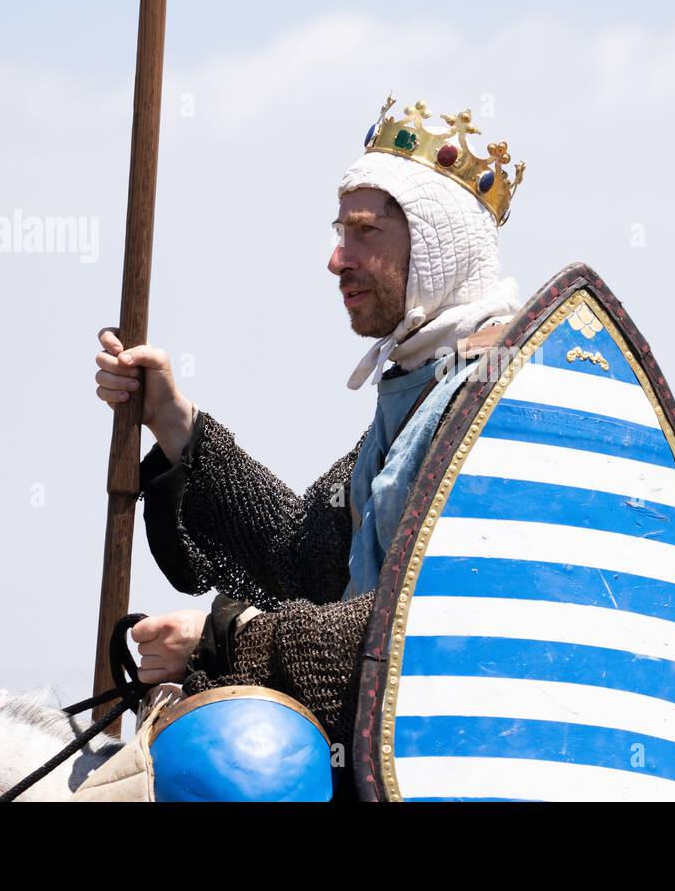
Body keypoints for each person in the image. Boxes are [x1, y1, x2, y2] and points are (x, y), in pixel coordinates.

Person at [92, 96, 525, 793]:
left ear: (438, 245)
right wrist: (174, 424)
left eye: (363, 234)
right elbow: (312, 560)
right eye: (339, 231)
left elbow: (431, 627)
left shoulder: (503, 406)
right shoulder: (422, 389)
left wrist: (223, 639)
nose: (336, 259)